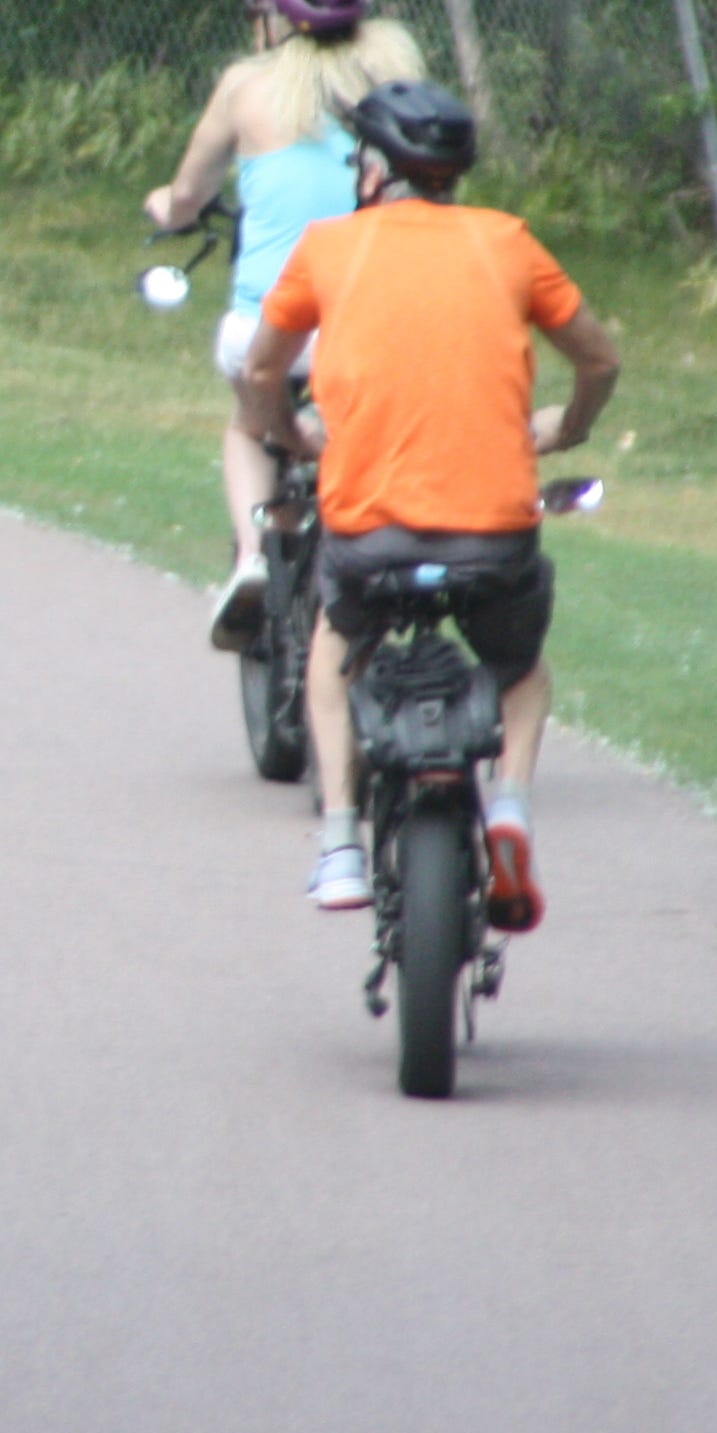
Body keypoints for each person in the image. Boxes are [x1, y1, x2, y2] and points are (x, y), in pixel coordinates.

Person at [239, 81, 618, 923]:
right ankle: (510, 807)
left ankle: (340, 844)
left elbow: (264, 371)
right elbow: (598, 359)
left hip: (369, 532)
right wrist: (563, 430)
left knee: (336, 656)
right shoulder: (509, 242)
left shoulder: (328, 248)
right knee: (518, 668)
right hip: (493, 534)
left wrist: (296, 440)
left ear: (375, 168)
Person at [141, 0, 434, 649]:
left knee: (249, 427)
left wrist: (165, 209)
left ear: (274, 20)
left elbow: (188, 196)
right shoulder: (396, 87)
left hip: (275, 329)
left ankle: (251, 561)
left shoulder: (248, 89)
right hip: (378, 329)